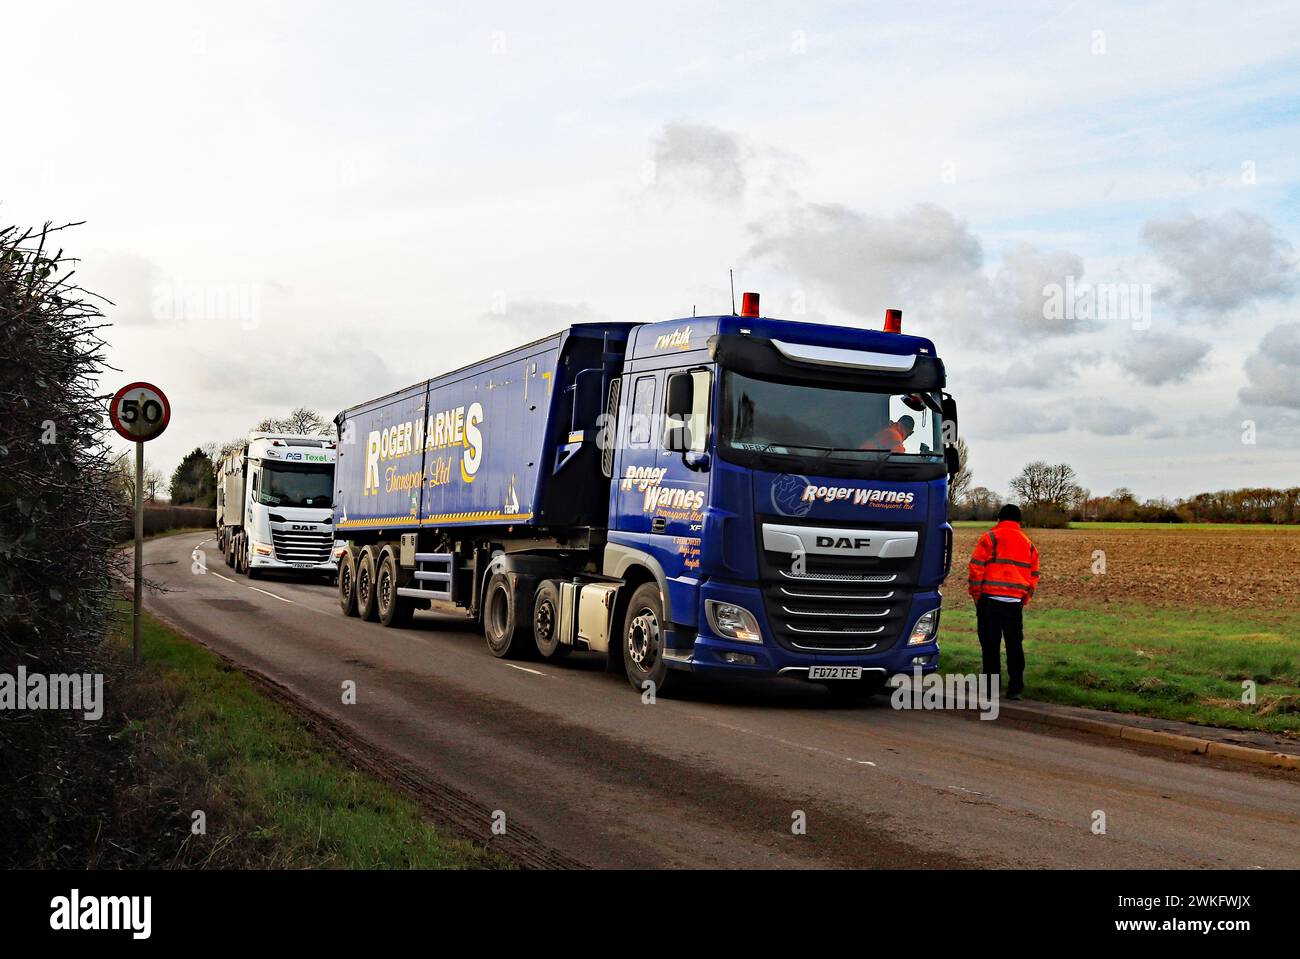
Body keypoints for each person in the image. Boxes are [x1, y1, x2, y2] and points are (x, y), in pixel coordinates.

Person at [967, 503, 1040, 700]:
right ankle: (1015, 688)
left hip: (989, 601)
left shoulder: (990, 538)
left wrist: (977, 596)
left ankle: (990, 690)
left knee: (990, 647)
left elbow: (976, 569)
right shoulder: (1028, 544)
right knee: (1014, 646)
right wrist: (1024, 597)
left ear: (999, 519)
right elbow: (1034, 575)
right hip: (1014, 603)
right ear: (1019, 521)